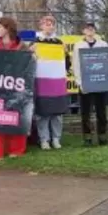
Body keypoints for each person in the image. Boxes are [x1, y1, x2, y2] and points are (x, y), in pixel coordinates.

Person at [0, 17, 30, 160]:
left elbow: (28, 67)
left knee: (16, 118)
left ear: (7, 28)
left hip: (16, 87)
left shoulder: (21, 46)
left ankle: (16, 150)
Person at [73, 22, 108, 146]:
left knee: (101, 112)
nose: (90, 30)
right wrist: (80, 83)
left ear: (95, 31)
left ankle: (102, 136)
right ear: (83, 31)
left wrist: (107, 77)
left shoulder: (103, 44)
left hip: (100, 82)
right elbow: (75, 65)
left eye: (92, 28)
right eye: (87, 28)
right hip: (85, 84)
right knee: (86, 113)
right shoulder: (78, 46)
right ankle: (87, 137)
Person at [33, 15, 70, 150]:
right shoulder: (35, 42)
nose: (49, 26)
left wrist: (66, 55)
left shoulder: (59, 43)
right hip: (42, 82)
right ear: (41, 25)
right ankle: (44, 139)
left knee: (57, 113)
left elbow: (67, 63)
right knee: (43, 112)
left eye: (51, 24)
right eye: (46, 24)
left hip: (57, 83)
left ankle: (56, 138)